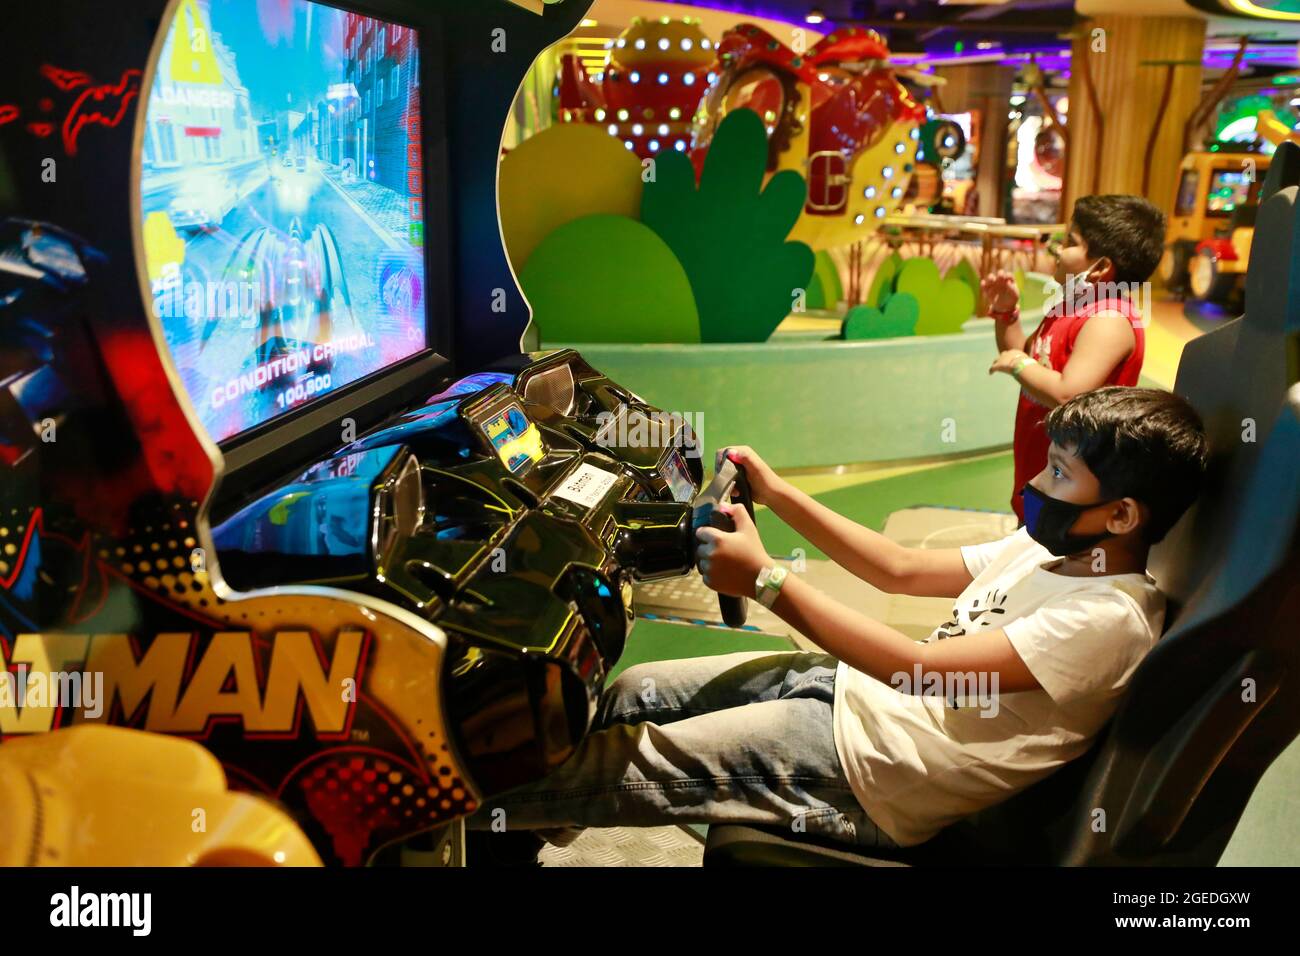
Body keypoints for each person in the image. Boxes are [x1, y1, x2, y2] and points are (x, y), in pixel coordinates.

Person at [464, 387, 1208, 861]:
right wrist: (778, 493)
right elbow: (896, 568)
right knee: (634, 692)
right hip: (851, 698)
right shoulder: (1043, 548)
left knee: (621, 763)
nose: (1034, 486)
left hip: (876, 776)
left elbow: (920, 672)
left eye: (1058, 476)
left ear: (1120, 515)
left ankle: (429, 826)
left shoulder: (1108, 620)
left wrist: (765, 581)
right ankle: (516, 841)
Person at [983, 194, 1166, 521]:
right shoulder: (1070, 307)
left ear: (1100, 268)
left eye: (1070, 241)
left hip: (1075, 491)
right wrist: (1005, 311)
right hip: (1042, 472)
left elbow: (1068, 393)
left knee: (1053, 559)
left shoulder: (1108, 320)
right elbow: (1025, 355)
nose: (1057, 248)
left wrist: (1017, 365)